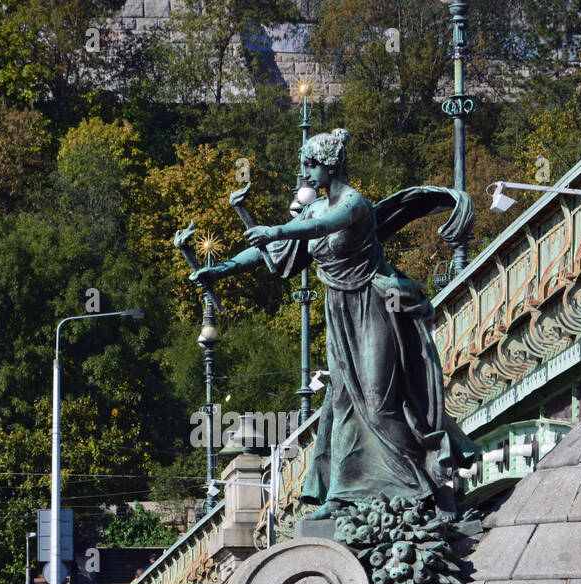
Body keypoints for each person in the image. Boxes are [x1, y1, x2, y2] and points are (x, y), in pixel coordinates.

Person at [191, 128, 478, 518]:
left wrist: (277, 228)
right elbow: (269, 253)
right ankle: (342, 495)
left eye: (310, 165)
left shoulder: (353, 203)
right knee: (342, 401)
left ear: (330, 166)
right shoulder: (311, 208)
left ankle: (424, 487)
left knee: (378, 400)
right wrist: (220, 270)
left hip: (375, 305)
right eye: (303, 165)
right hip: (339, 312)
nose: (305, 174)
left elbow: (322, 228)